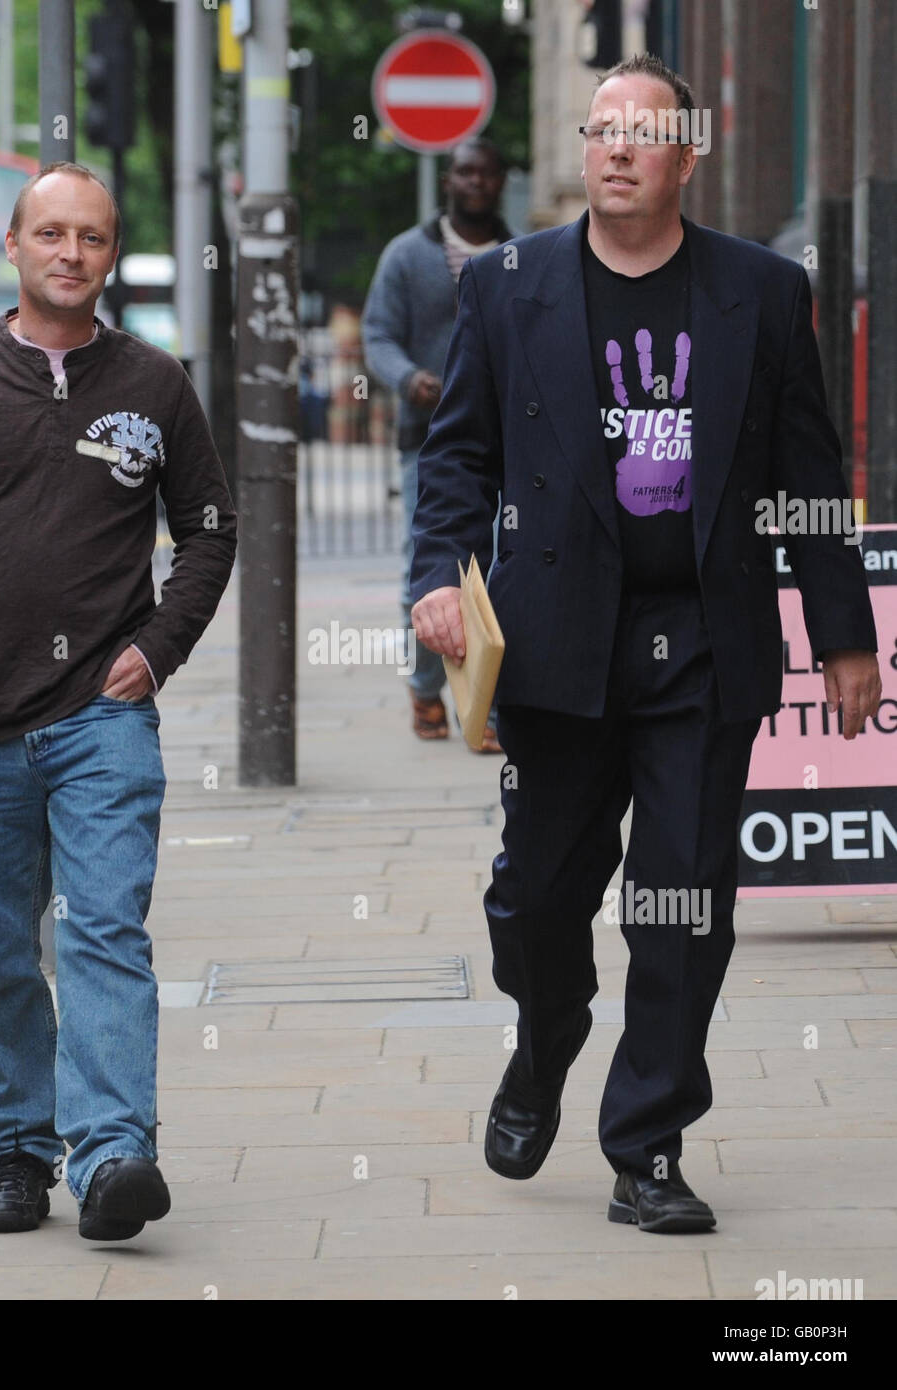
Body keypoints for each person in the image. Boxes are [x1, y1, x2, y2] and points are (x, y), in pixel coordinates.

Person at [409, 55, 881, 1233]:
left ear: (688, 153)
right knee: (533, 899)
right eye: (600, 129)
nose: (615, 148)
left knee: (681, 901)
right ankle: (546, 1033)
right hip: (557, 645)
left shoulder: (763, 292)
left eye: (644, 130)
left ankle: (647, 1145)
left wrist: (842, 632)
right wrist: (433, 582)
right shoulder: (509, 286)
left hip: (702, 643)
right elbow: (457, 454)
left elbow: (807, 475)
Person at [0, 162, 237, 1241]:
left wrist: (157, 649)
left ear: (113, 257)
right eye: (53, 234)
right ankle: (17, 1150)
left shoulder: (154, 383)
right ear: (15, 248)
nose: (72, 254)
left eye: (95, 238)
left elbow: (209, 527)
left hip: (103, 718)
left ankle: (114, 1153)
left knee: (104, 930)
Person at [362, 138, 514, 751]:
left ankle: (490, 708)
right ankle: (426, 687)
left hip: (509, 442)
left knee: (504, 573)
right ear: (449, 179)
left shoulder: (519, 255)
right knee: (424, 573)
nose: (476, 181)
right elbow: (376, 335)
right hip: (425, 439)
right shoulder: (406, 255)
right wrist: (407, 378)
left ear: (503, 180)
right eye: (466, 172)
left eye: (488, 172)